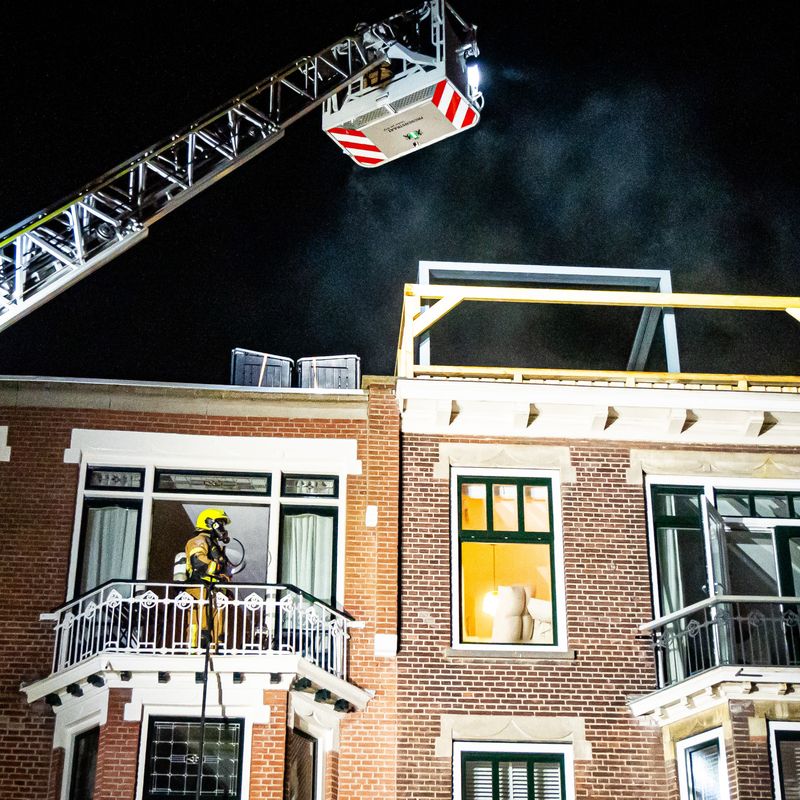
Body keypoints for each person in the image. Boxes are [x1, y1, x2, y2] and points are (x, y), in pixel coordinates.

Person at [185, 508, 231, 649]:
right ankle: (194, 654)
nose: (222, 528)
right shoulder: (198, 541)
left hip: (214, 592)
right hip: (199, 590)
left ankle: (215, 651)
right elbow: (198, 562)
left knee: (217, 629)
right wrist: (217, 568)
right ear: (211, 523)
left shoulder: (214, 544)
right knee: (199, 625)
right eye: (220, 523)